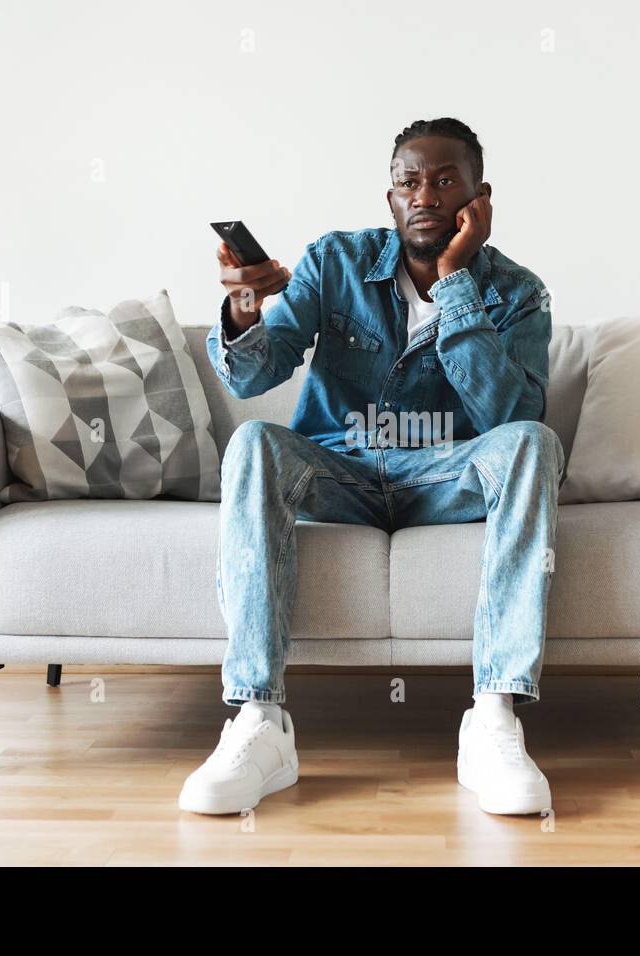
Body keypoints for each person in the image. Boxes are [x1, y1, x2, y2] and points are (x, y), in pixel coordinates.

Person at [180, 117, 563, 816]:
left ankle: (493, 718)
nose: (425, 196)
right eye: (409, 182)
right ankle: (260, 723)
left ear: (478, 197)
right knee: (254, 443)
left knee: (534, 444)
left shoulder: (518, 292)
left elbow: (511, 416)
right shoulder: (335, 262)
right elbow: (251, 377)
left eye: (446, 181)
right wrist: (243, 304)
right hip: (342, 472)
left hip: (447, 476)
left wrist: (453, 282)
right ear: (389, 199)